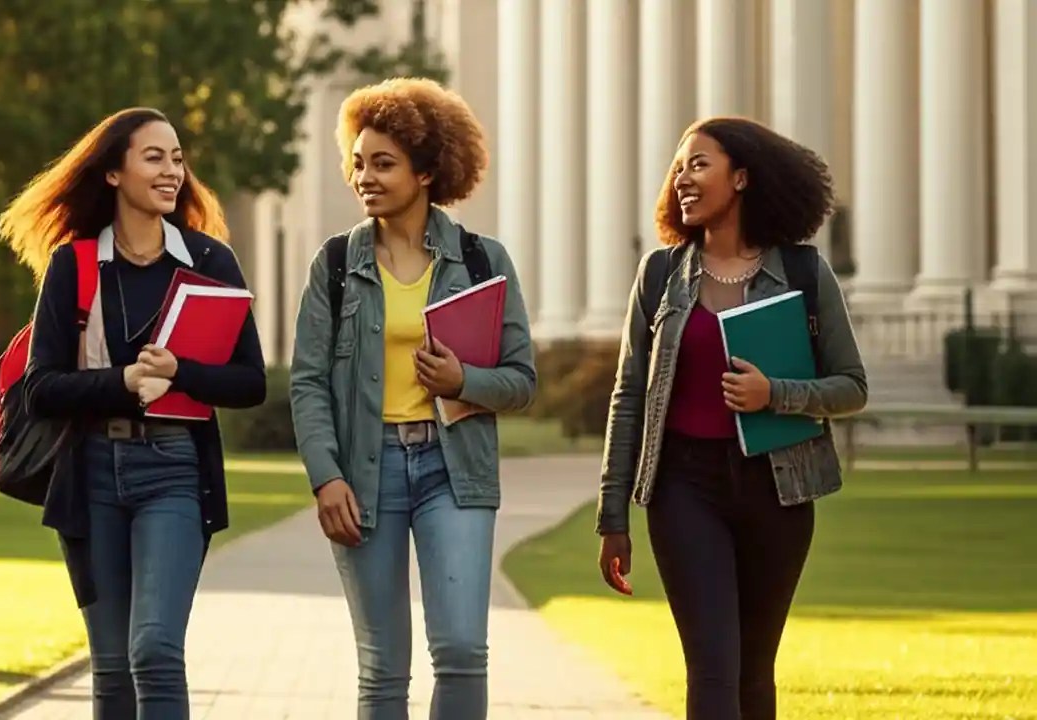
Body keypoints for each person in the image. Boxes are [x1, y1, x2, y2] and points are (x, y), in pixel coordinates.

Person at [594, 117, 867, 720]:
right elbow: (628, 396)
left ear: (740, 178)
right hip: (683, 486)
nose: (682, 178)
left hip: (779, 489)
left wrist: (776, 393)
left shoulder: (802, 273)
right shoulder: (662, 275)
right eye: (679, 167)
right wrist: (613, 514)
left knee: (753, 674)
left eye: (699, 164)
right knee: (713, 669)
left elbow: (852, 388)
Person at [0, 107, 266, 719]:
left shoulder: (210, 262)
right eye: (155, 157)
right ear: (114, 173)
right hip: (91, 473)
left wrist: (181, 372)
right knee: (113, 669)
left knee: (154, 651)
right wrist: (122, 381)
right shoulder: (75, 265)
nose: (172, 171)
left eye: (177, 159)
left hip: (174, 471)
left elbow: (250, 382)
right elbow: (41, 387)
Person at [289, 77, 536, 719]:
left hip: (452, 472)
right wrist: (325, 478)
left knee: (459, 650)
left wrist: (465, 384)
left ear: (427, 171)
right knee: (382, 669)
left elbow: (522, 381)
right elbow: (308, 381)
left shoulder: (483, 262)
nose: (364, 176)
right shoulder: (336, 265)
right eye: (358, 162)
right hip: (364, 477)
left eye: (383, 163)